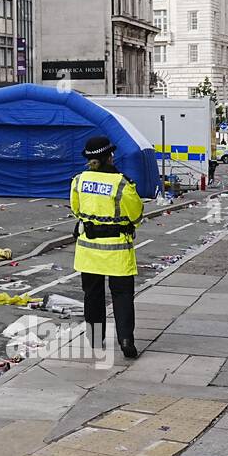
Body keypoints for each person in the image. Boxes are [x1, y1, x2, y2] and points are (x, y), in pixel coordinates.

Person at [69, 136, 144, 359]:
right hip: (117, 250)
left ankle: (94, 338)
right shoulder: (122, 183)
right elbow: (136, 214)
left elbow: (76, 210)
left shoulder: (79, 181)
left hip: (89, 249)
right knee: (122, 295)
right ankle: (125, 340)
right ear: (109, 156)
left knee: (92, 294)